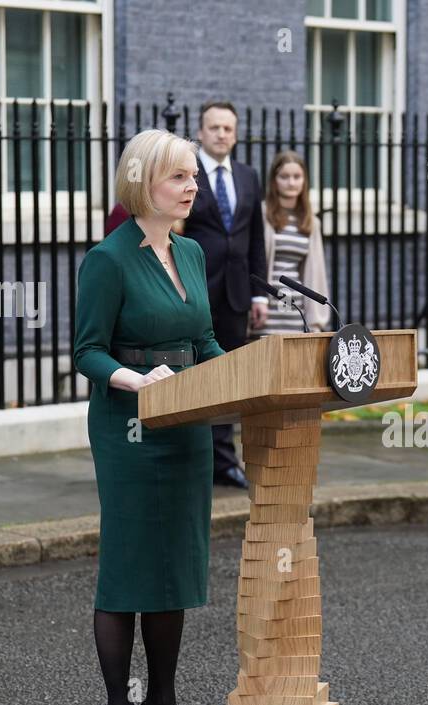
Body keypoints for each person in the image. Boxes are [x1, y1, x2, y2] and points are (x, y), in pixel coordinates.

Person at [73, 128, 223, 705]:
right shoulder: (107, 259)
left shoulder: (189, 253)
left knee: (174, 565)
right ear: (142, 183)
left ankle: (160, 703)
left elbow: (206, 337)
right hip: (130, 429)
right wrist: (139, 382)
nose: (191, 187)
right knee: (132, 562)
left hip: (187, 425)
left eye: (193, 176)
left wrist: (246, 380)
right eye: (178, 177)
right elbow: (87, 351)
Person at [183, 99, 268, 489]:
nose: (221, 134)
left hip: (236, 295)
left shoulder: (249, 176)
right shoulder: (186, 173)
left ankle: (224, 458)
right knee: (195, 373)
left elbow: (254, 239)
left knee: (230, 374)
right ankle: (195, 455)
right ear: (200, 132)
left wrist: (259, 294)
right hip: (196, 290)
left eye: (228, 128)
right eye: (214, 127)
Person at [250, 149, 331, 340]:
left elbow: (315, 273)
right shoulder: (262, 214)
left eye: (297, 176)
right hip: (265, 309)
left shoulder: (311, 221)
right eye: (284, 176)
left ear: (304, 180)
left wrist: (315, 322)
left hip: (296, 308)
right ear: (274, 180)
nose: (291, 182)